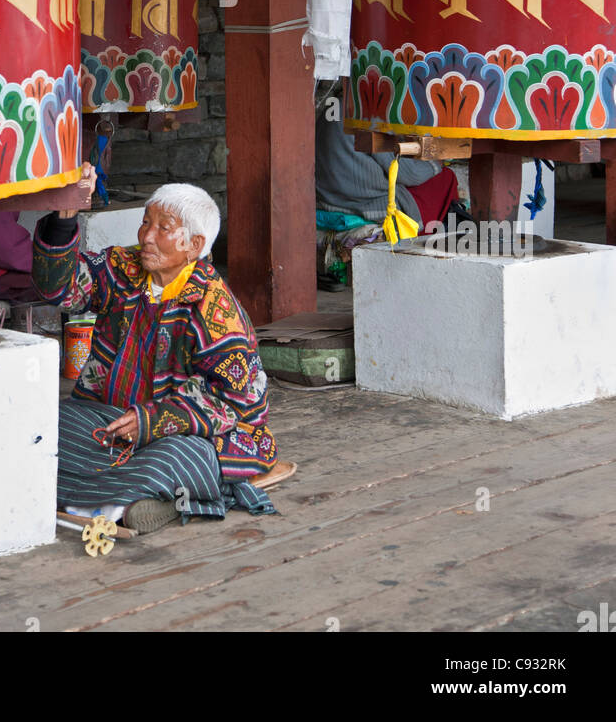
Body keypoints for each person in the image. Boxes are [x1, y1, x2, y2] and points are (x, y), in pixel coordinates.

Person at [32, 168, 282, 534]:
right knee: (48, 426)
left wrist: (152, 422)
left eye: (163, 228)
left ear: (194, 245)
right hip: (110, 418)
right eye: (145, 222)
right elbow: (59, 288)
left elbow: (234, 401)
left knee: (173, 459)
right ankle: (127, 498)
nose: (147, 236)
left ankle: (146, 499)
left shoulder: (216, 310)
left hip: (187, 435)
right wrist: (64, 219)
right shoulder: (122, 269)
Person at [316, 109, 459, 232]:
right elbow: (410, 175)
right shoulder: (367, 115)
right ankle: (442, 233)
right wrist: (437, 162)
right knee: (445, 178)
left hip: (328, 198)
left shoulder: (330, 109)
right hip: (363, 204)